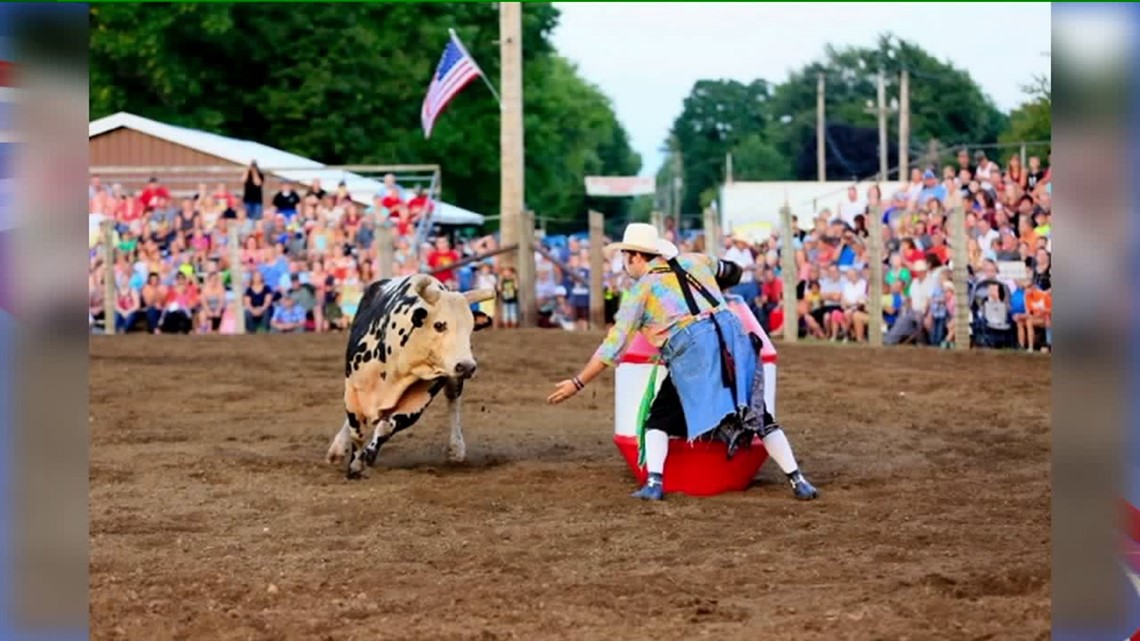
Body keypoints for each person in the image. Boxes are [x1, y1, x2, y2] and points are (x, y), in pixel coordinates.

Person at [546, 223, 819, 502]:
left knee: (659, 417)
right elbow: (732, 270)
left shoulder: (641, 292)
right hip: (734, 342)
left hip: (693, 353)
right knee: (760, 417)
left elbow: (612, 347)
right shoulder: (696, 261)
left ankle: (654, 483)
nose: (624, 262)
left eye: (625, 256)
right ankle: (798, 480)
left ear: (635, 256)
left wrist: (577, 383)